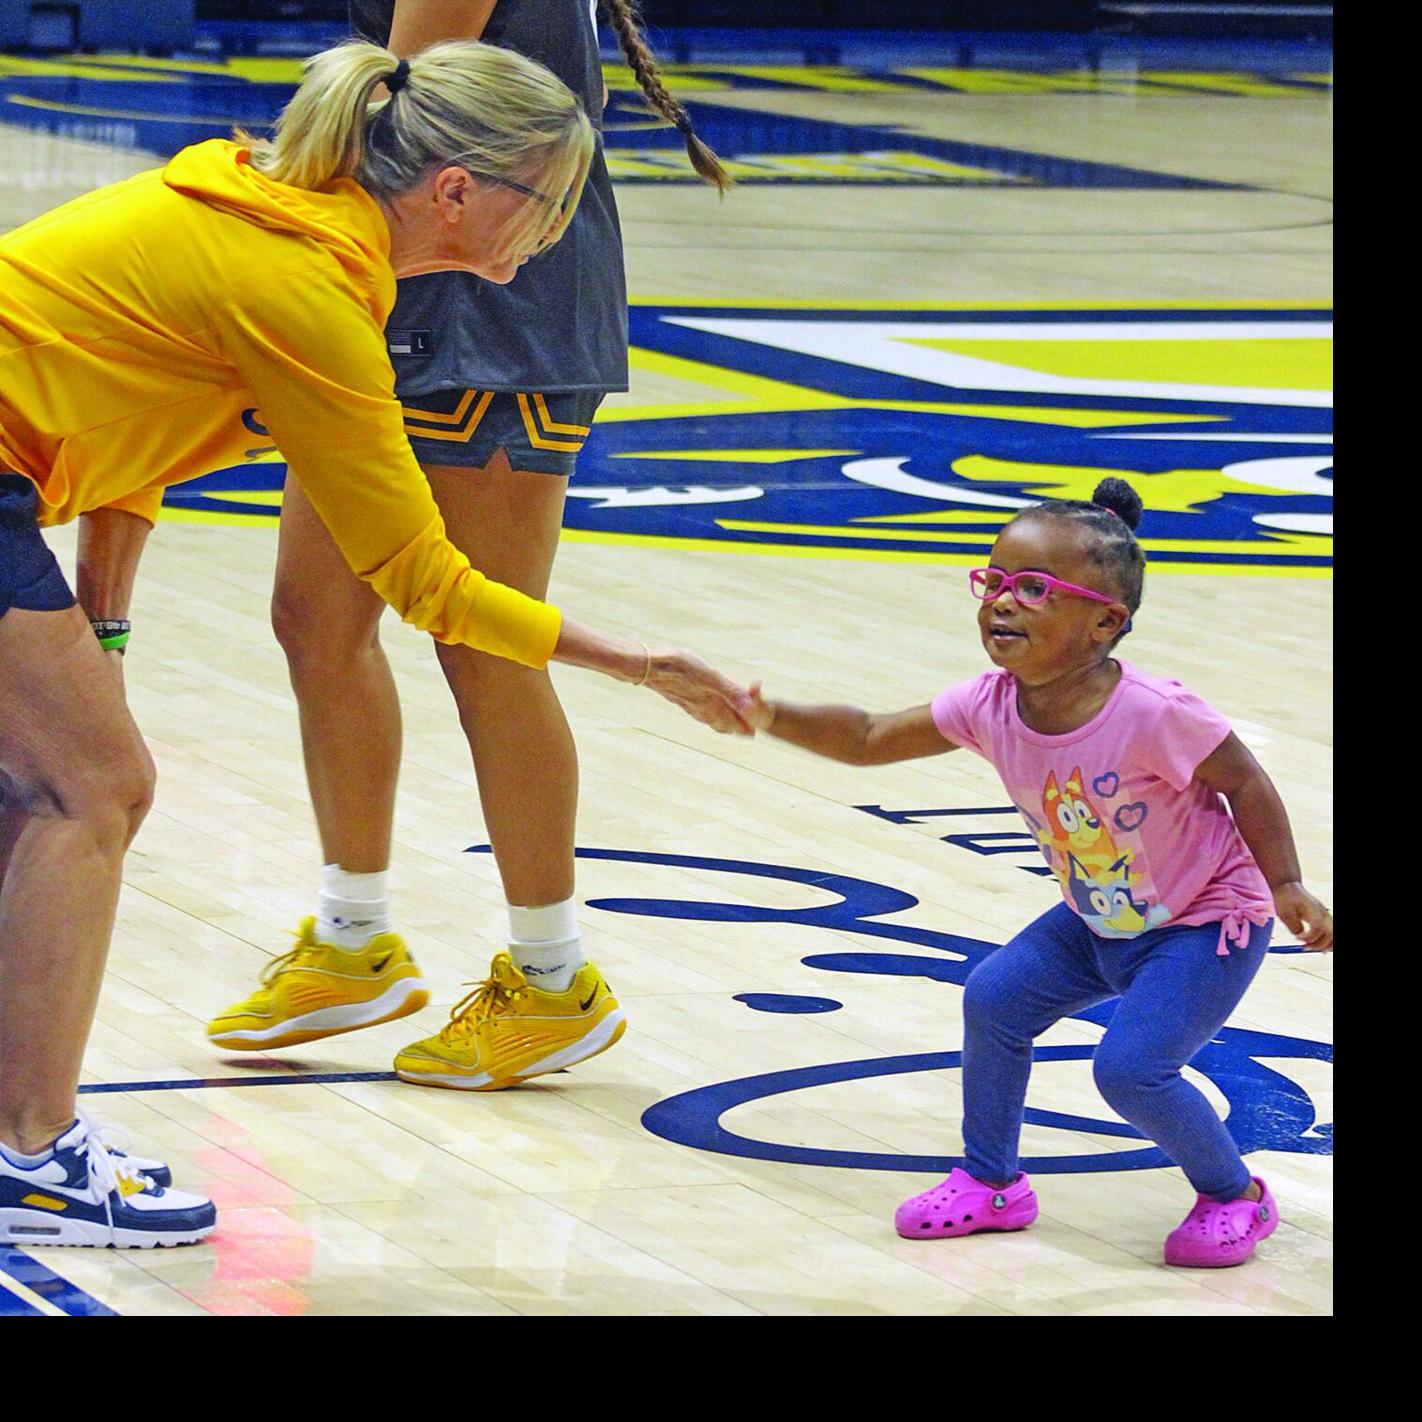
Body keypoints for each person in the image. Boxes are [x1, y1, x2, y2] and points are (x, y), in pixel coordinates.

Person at [0, 37, 747, 1248]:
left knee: (43, 790)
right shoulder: (306, 289)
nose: (560, 230)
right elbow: (424, 582)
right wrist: (642, 666)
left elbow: (136, 418)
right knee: (94, 788)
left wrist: (107, 617)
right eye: (549, 198)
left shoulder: (271, 211)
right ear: (454, 191)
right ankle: (29, 1153)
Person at [186, 0, 733, 1092]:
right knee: (315, 618)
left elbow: (412, 105)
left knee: (485, 638)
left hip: (494, 286)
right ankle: (352, 940)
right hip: (417, 268)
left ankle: (551, 978)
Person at [739, 479, 1333, 1268]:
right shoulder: (989, 704)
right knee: (994, 999)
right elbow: (871, 736)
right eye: (992, 581)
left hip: (1204, 921)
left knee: (1131, 1069)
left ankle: (1235, 1195)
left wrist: (1285, 883)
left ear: (1103, 623)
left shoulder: (1153, 711)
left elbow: (1244, 781)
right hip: (1100, 917)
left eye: (1032, 589)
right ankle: (992, 1183)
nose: (1001, 602)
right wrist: (767, 714)